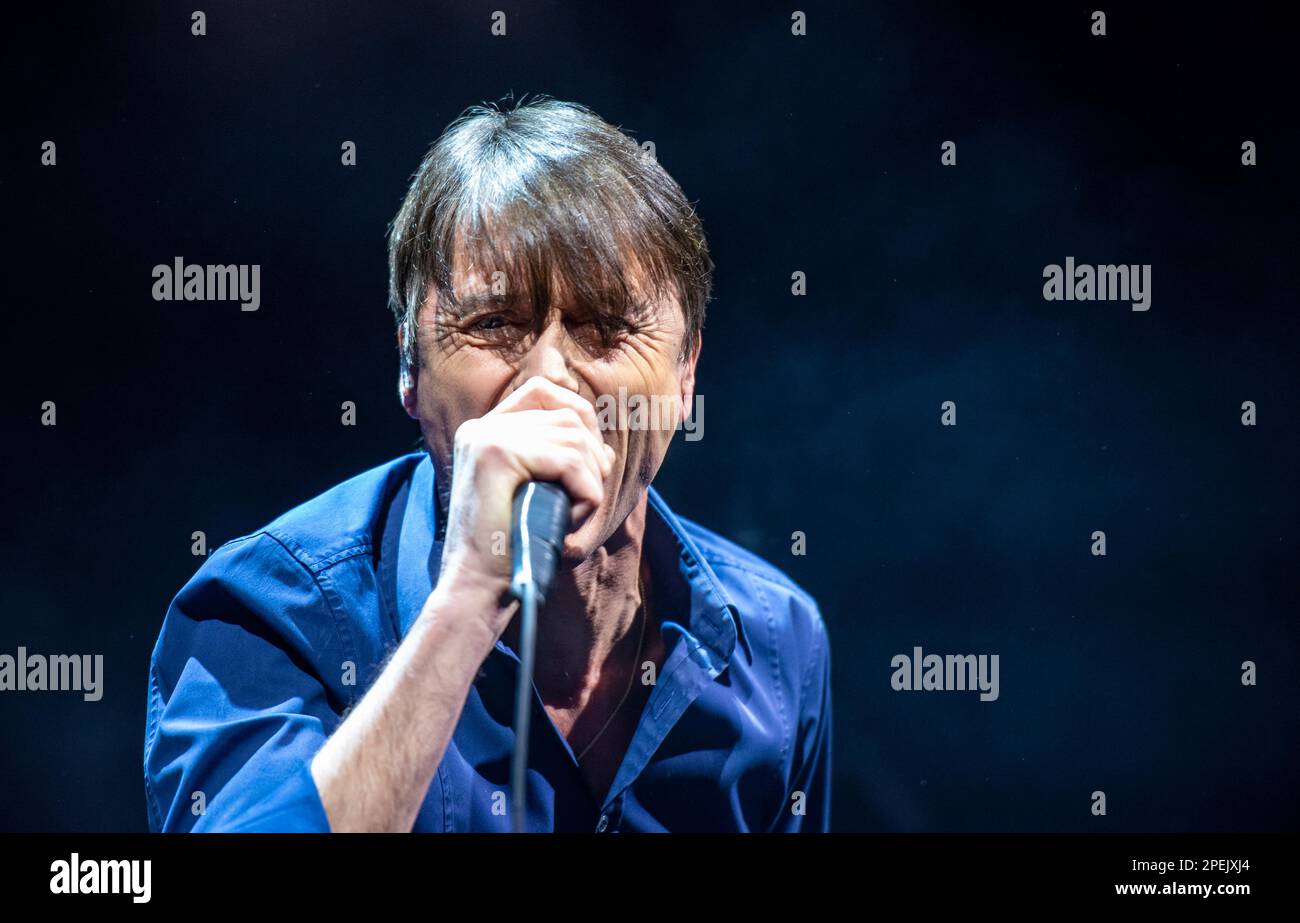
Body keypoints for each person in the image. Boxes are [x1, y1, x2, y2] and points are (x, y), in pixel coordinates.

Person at [144, 95, 831, 832]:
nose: (549, 383)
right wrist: (470, 597)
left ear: (686, 372)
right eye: (495, 324)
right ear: (409, 363)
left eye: (605, 326)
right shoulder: (265, 611)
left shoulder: (779, 644)